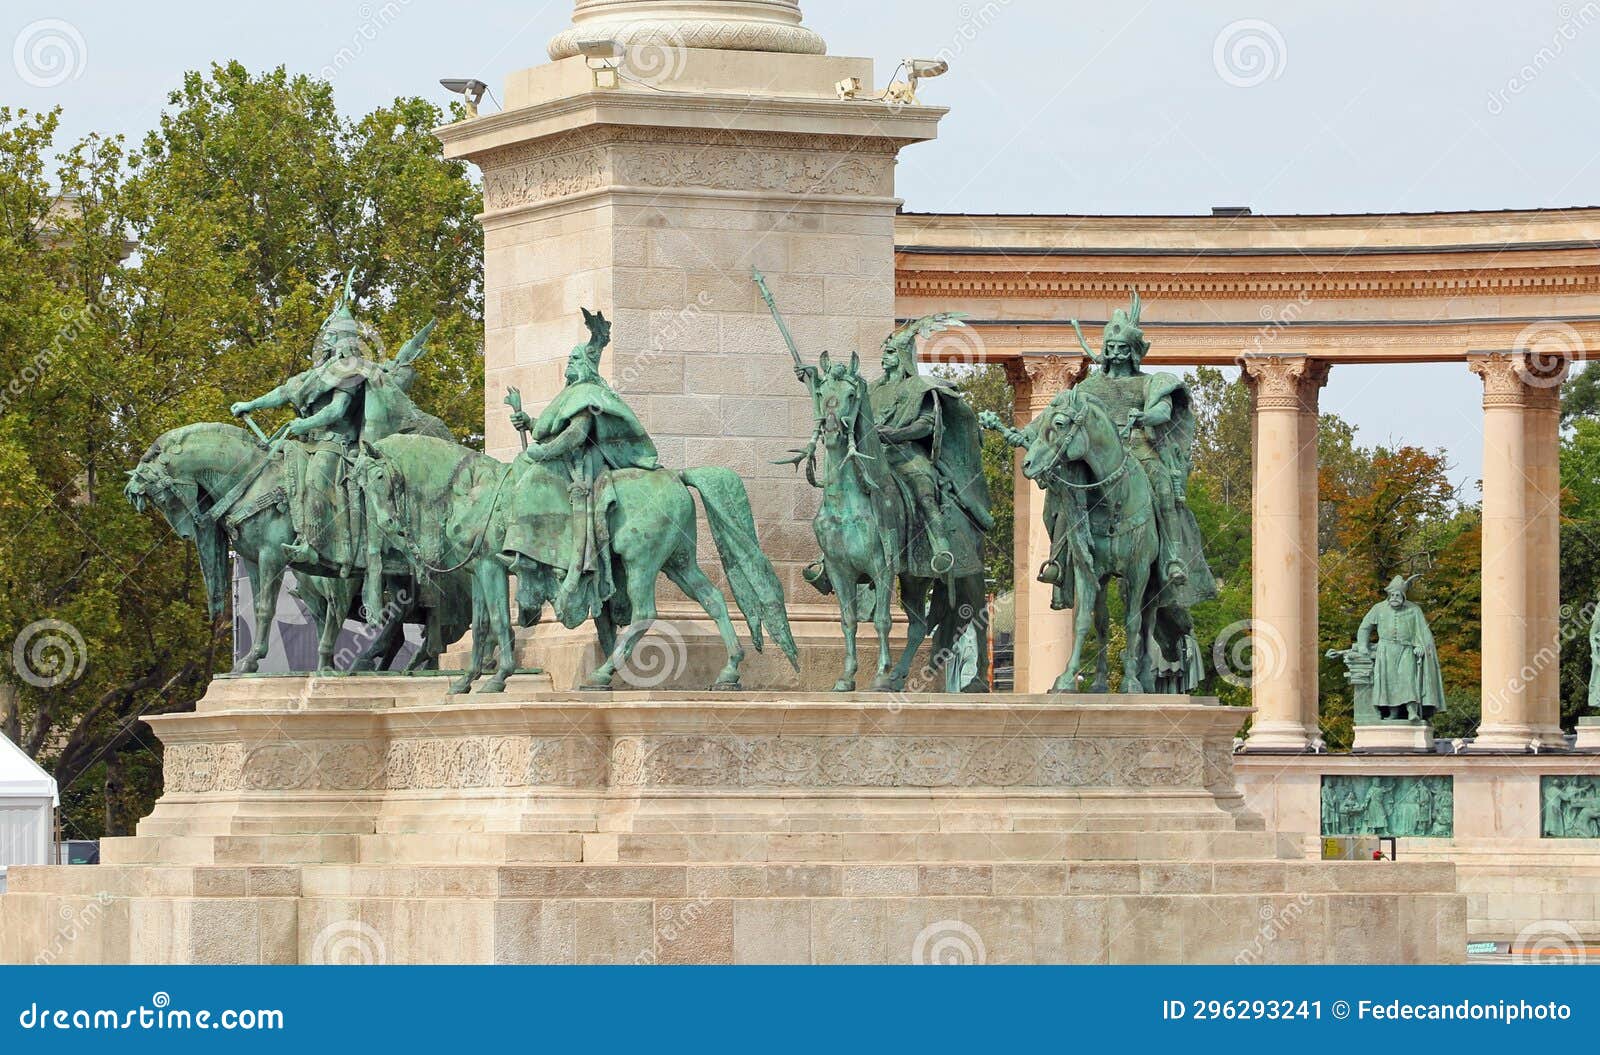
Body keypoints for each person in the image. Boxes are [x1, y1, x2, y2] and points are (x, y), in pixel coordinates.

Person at [229, 270, 447, 575]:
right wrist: (250, 404)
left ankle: (311, 543)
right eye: (326, 333)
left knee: (315, 485)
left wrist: (302, 425)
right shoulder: (319, 372)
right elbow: (285, 391)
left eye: (331, 333)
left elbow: (336, 411)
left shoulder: (351, 370)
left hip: (336, 444)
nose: (326, 338)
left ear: (342, 339)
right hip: (307, 442)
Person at [507, 308, 659, 624]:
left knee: (532, 479)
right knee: (523, 475)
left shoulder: (589, 392)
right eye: (570, 360)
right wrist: (530, 421)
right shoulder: (572, 394)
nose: (569, 365)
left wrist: (542, 453)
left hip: (583, 462)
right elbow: (559, 425)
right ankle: (538, 558)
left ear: (587, 365)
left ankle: (559, 563)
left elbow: (576, 434)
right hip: (566, 458)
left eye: (575, 360)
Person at [1356, 574, 1447, 723]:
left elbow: (1422, 631)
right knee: (1388, 681)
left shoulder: (1414, 609)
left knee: (1408, 679)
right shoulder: (1378, 609)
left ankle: (1412, 711)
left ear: (1403, 596)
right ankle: (1393, 713)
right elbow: (1365, 628)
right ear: (1389, 595)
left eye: (1398, 594)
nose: (1395, 597)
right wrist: (1362, 646)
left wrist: (1419, 645)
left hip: (1406, 649)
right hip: (1385, 651)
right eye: (1393, 594)